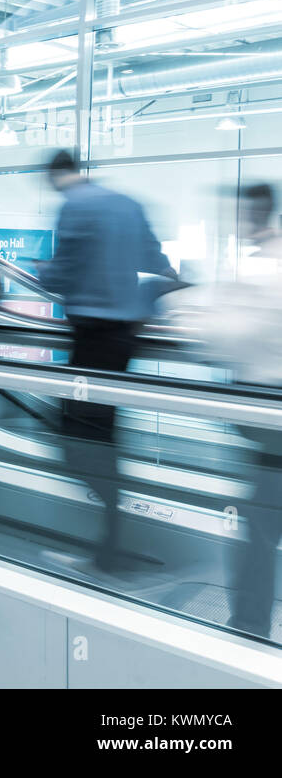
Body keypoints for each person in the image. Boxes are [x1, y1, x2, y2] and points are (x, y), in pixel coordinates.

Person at [35, 150, 175, 575]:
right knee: (102, 434)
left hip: (91, 336)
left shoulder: (73, 205)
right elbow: (158, 263)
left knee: (76, 440)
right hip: (124, 338)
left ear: (56, 175)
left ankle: (110, 548)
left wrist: (42, 271)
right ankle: (110, 545)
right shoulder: (129, 204)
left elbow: (61, 274)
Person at [203, 183, 282, 638]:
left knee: (259, 528)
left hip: (270, 418)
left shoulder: (260, 270)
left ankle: (249, 626)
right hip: (268, 419)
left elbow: (224, 340)